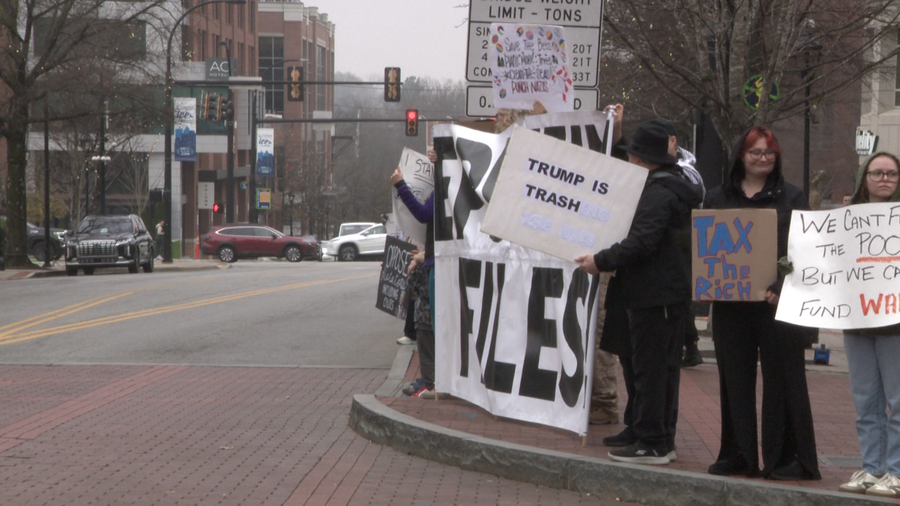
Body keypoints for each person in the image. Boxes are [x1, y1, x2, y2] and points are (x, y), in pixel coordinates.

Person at [576, 120, 702, 465]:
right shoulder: (662, 187)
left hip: (655, 293)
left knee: (652, 368)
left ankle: (654, 440)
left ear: (641, 159)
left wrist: (600, 260)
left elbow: (643, 241)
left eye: (632, 155)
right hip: (648, 290)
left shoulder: (659, 192)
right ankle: (641, 428)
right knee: (638, 363)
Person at [704, 126, 821, 481]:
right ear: (741, 155)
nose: (763, 158)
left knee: (784, 380)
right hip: (731, 306)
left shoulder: (793, 197)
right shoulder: (717, 198)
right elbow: (703, 247)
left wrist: (782, 283)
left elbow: (807, 250)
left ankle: (787, 458)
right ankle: (737, 453)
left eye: (769, 152)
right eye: (755, 151)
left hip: (778, 305)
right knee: (734, 380)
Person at [838, 152, 900, 497]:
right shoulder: (845, 221)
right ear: (865, 177)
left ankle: (897, 471)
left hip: (896, 323)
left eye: (891, 173)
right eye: (877, 173)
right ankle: (873, 468)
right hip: (858, 321)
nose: (884, 179)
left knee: (898, 400)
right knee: (866, 401)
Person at [646, 119, 707, 368]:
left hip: (682, 247)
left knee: (680, 305)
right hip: (681, 247)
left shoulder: (684, 172)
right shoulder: (685, 170)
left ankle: (689, 346)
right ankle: (690, 346)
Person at [392, 149, 438, 398]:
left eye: (437, 151)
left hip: (438, 265)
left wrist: (401, 185)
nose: (431, 154)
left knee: (427, 326)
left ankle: (431, 382)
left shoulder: (445, 187)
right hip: (434, 259)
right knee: (427, 325)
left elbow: (423, 214)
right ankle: (430, 379)